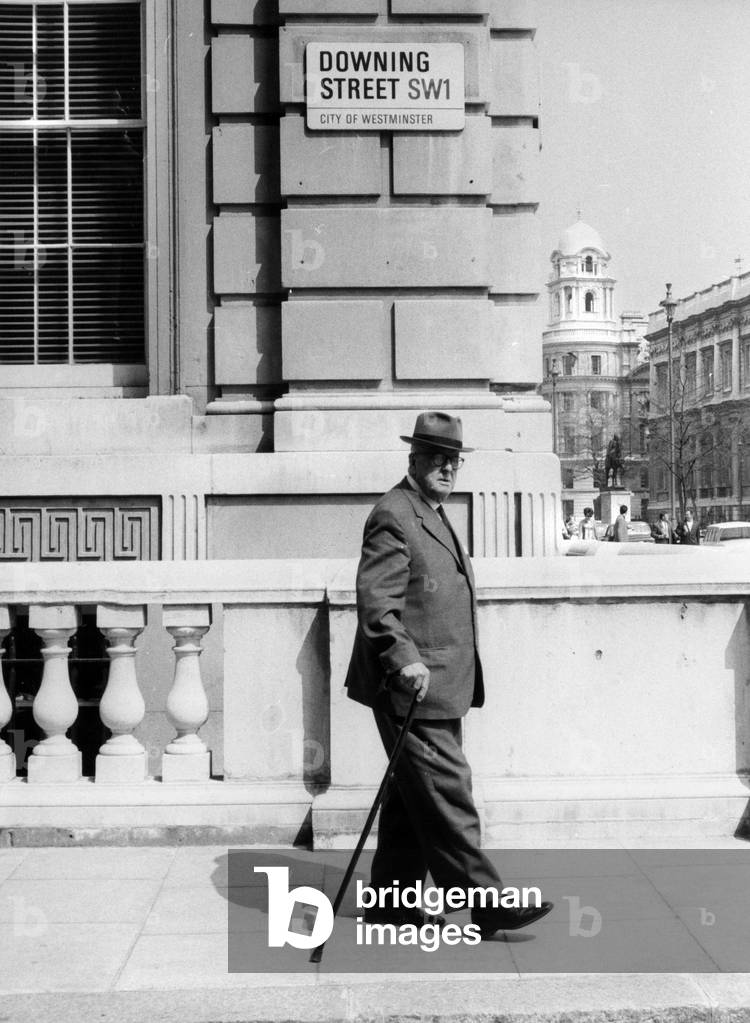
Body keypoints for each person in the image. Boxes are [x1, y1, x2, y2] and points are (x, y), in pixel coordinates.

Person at [345, 411, 553, 937]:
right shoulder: (394, 513)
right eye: (434, 457)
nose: (445, 467)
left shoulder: (429, 511)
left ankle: (391, 903)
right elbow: (377, 603)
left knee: (414, 796)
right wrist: (403, 658)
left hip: (441, 682)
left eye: (452, 459)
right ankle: (486, 902)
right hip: (412, 684)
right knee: (448, 791)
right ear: (412, 459)